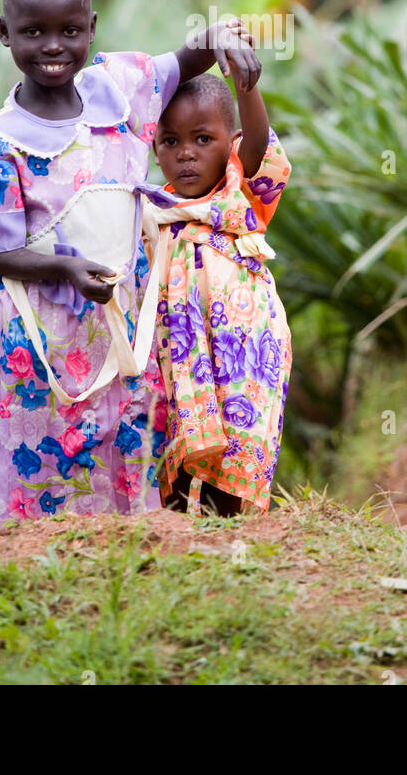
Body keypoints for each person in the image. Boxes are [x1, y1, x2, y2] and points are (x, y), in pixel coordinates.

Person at [0, 0, 259, 528]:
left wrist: (217, 37)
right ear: (4, 33)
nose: (53, 46)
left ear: (91, 28)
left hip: (121, 323)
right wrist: (66, 272)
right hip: (35, 332)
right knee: (40, 460)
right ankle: (30, 577)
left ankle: (128, 570)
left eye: (70, 31)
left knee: (128, 444)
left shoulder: (119, 91)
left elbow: (183, 60)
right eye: (33, 32)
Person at [150, 49, 292, 516]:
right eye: (170, 142)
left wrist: (245, 86)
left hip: (243, 350)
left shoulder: (241, 193)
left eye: (203, 139)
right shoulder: (153, 212)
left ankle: (226, 532)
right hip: (180, 352)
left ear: (229, 145)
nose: (185, 153)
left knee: (235, 440)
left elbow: (258, 143)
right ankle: (176, 537)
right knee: (176, 444)